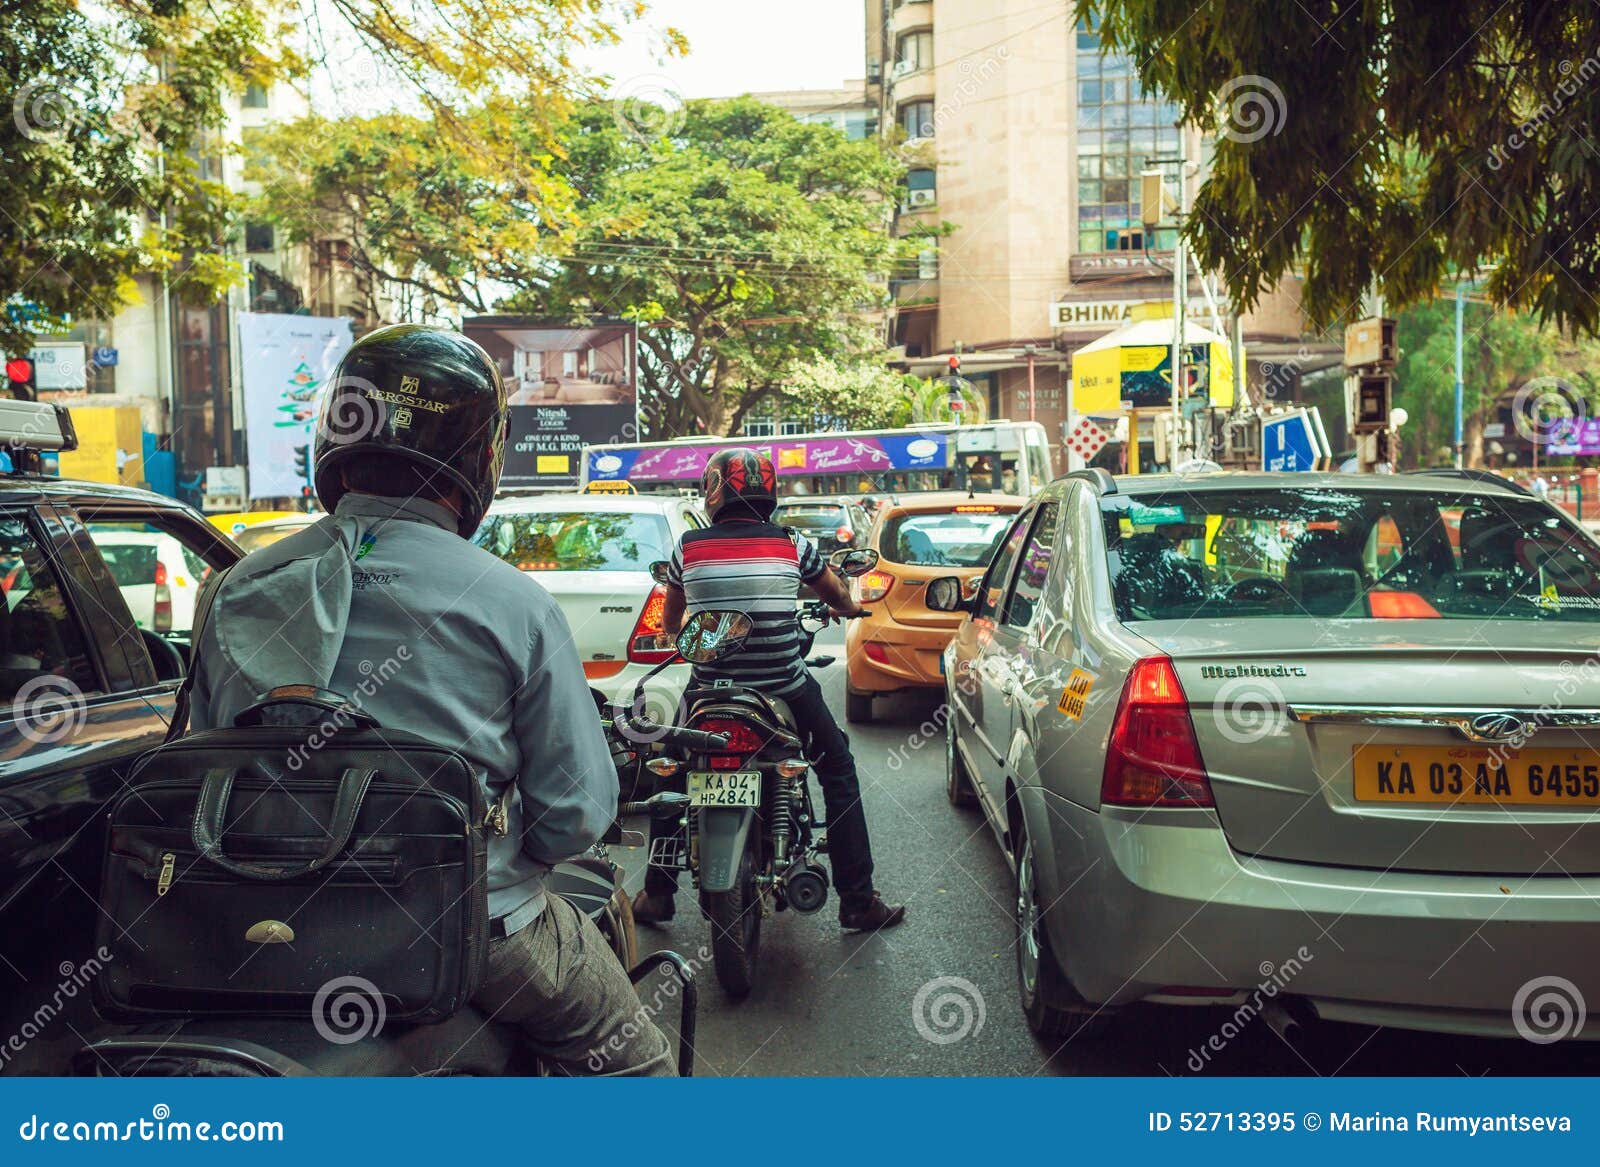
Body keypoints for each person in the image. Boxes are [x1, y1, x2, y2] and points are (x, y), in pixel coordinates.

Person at [189, 324, 673, 1076]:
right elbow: (576, 814)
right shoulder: (512, 602)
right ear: (480, 458)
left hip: (262, 929)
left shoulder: (236, 588)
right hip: (477, 935)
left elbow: (208, 759)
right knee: (636, 1063)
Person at [631, 448, 906, 932]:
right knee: (837, 768)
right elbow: (838, 596)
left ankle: (657, 894)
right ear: (770, 491)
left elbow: (673, 624)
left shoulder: (687, 548)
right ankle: (858, 901)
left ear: (713, 491)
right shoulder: (792, 543)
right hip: (783, 687)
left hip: (708, 692)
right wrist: (844, 608)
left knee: (670, 771)